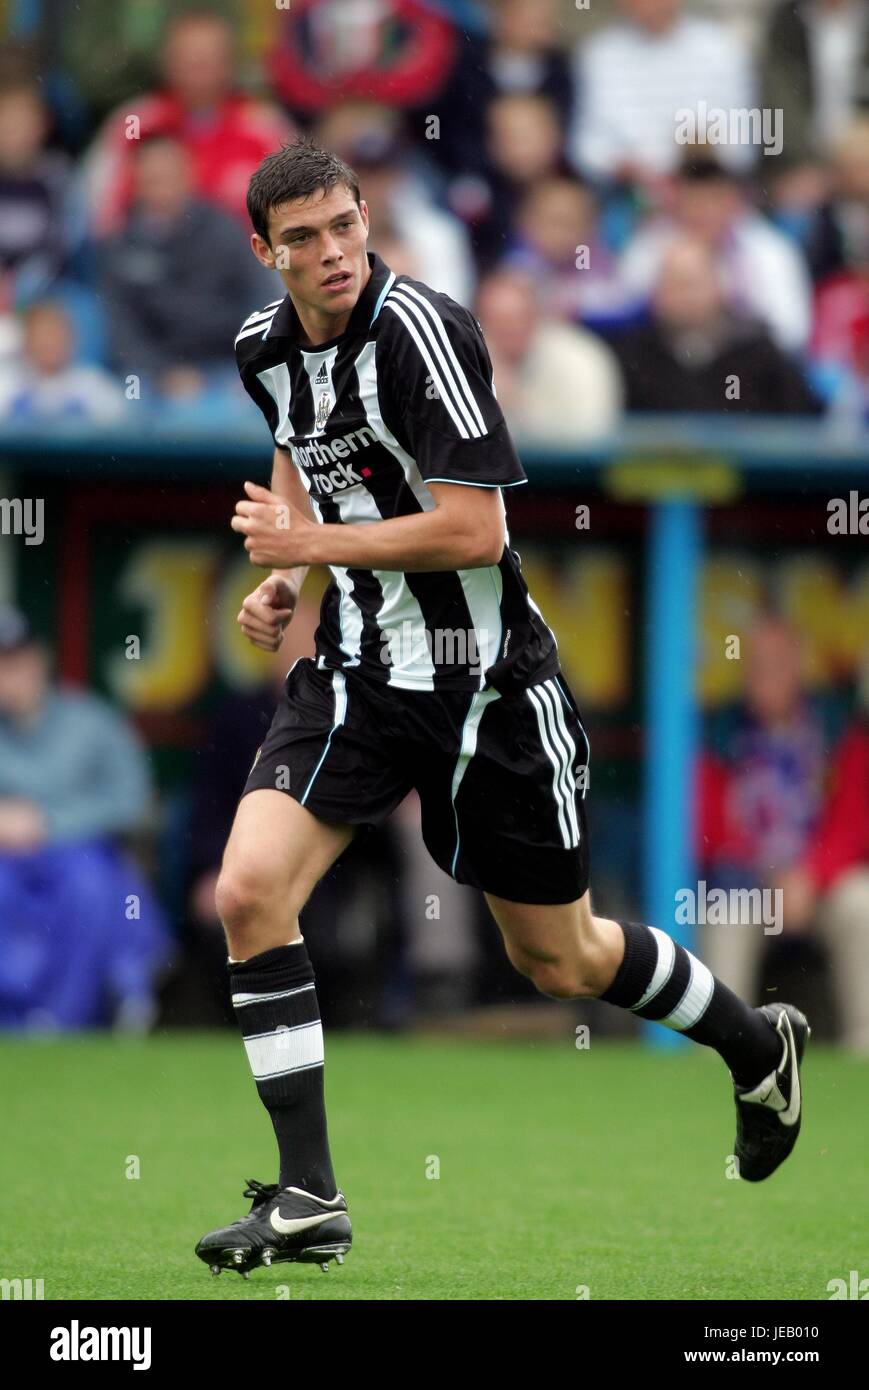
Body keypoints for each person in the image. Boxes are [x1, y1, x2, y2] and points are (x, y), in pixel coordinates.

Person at [193, 139, 811, 1279]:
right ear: (262, 252)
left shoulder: (422, 332)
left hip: (489, 688)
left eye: (345, 225)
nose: (332, 253)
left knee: (559, 959)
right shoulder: (260, 350)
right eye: (303, 239)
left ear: (364, 217)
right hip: (360, 674)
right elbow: (300, 447)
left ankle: (749, 1041)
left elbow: (477, 529)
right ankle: (306, 1195)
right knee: (247, 890)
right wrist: (289, 578)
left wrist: (307, 544)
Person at [0, 608, 171, 1029]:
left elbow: (135, 802)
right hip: (6, 862)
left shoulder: (91, 721)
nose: (9, 674)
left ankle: (66, 1019)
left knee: (91, 884)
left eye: (16, 660)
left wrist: (47, 823)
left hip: (81, 857)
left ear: (40, 660)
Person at [611, 236, 823, 414]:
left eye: (693, 285)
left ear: (719, 288)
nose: (685, 298)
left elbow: (797, 421)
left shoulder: (758, 355)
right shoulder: (633, 359)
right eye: (674, 285)